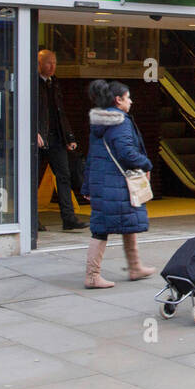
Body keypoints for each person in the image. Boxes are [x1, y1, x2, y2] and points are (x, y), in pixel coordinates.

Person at [83, 79, 155, 289]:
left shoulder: (102, 122)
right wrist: (146, 163)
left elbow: (92, 157)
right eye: (128, 97)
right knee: (101, 229)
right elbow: (127, 153)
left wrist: (88, 185)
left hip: (103, 181)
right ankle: (92, 275)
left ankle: (135, 267)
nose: (131, 101)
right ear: (118, 100)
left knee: (126, 220)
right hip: (115, 182)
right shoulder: (120, 122)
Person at [36, 49, 88, 232]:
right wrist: (34, 131)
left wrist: (69, 137)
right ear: (39, 64)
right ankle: (32, 219)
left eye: (55, 63)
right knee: (32, 179)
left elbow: (61, 113)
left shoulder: (54, 83)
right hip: (39, 137)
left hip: (56, 137)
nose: (52, 67)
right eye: (49, 63)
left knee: (64, 176)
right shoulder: (32, 82)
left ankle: (69, 218)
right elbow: (26, 109)